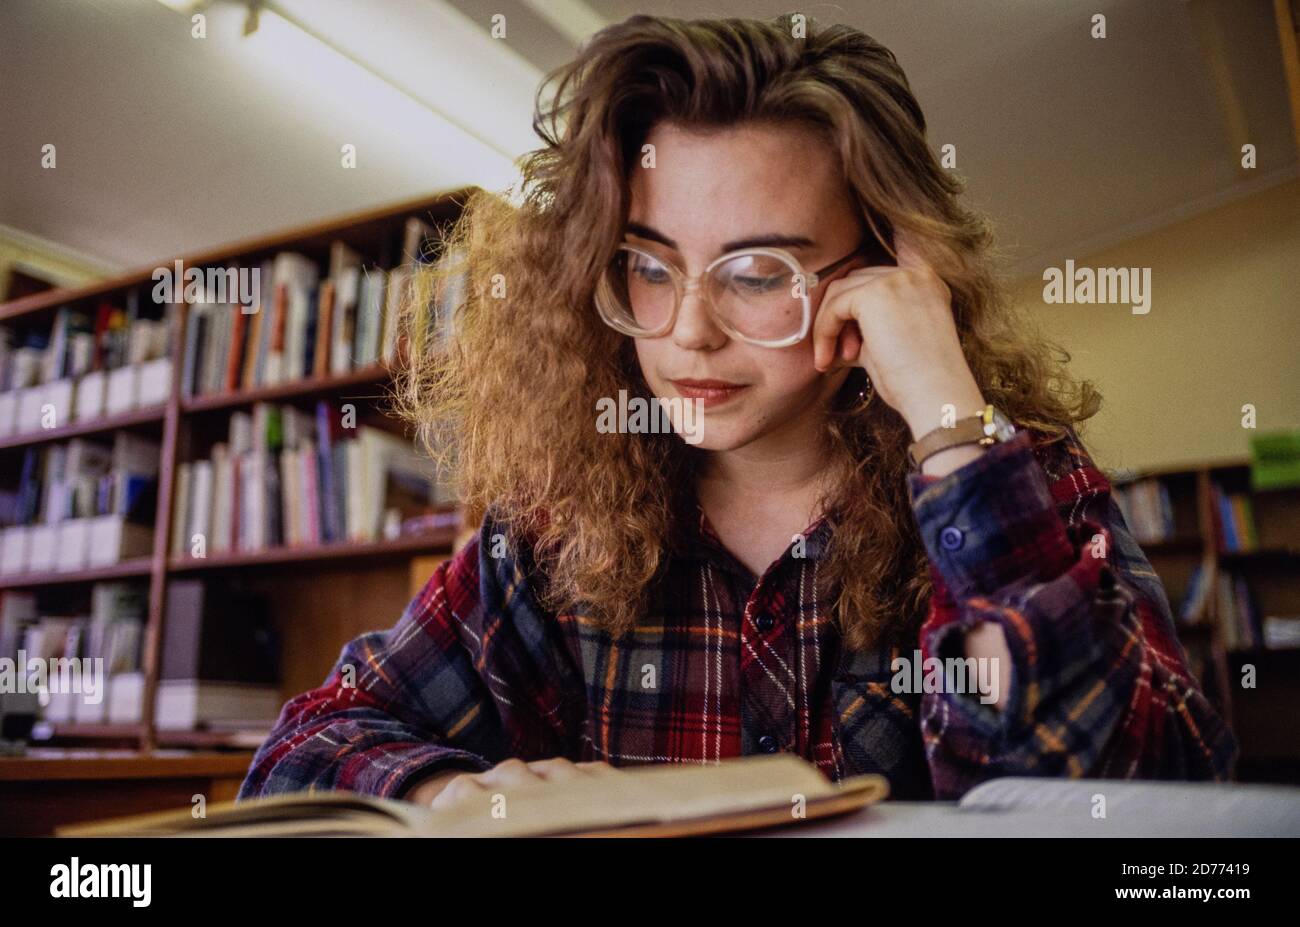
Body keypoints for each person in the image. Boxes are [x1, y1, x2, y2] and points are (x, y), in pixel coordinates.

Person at [239, 13, 1235, 806]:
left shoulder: (1018, 483)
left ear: (885, 273)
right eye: (647, 266)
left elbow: (1142, 801)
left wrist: (944, 418)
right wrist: (447, 788)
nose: (687, 334)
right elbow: (299, 753)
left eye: (757, 272)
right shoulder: (545, 536)